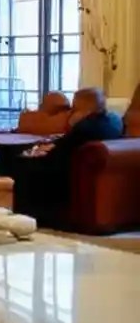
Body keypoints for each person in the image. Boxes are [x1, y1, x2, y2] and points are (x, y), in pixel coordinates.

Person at [13, 87, 123, 226]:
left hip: (64, 173)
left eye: (74, 109)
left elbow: (59, 153)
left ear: (85, 111)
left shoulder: (84, 128)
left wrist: (38, 152)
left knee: (20, 163)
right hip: (80, 167)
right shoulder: (114, 121)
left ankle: (23, 214)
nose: (70, 112)